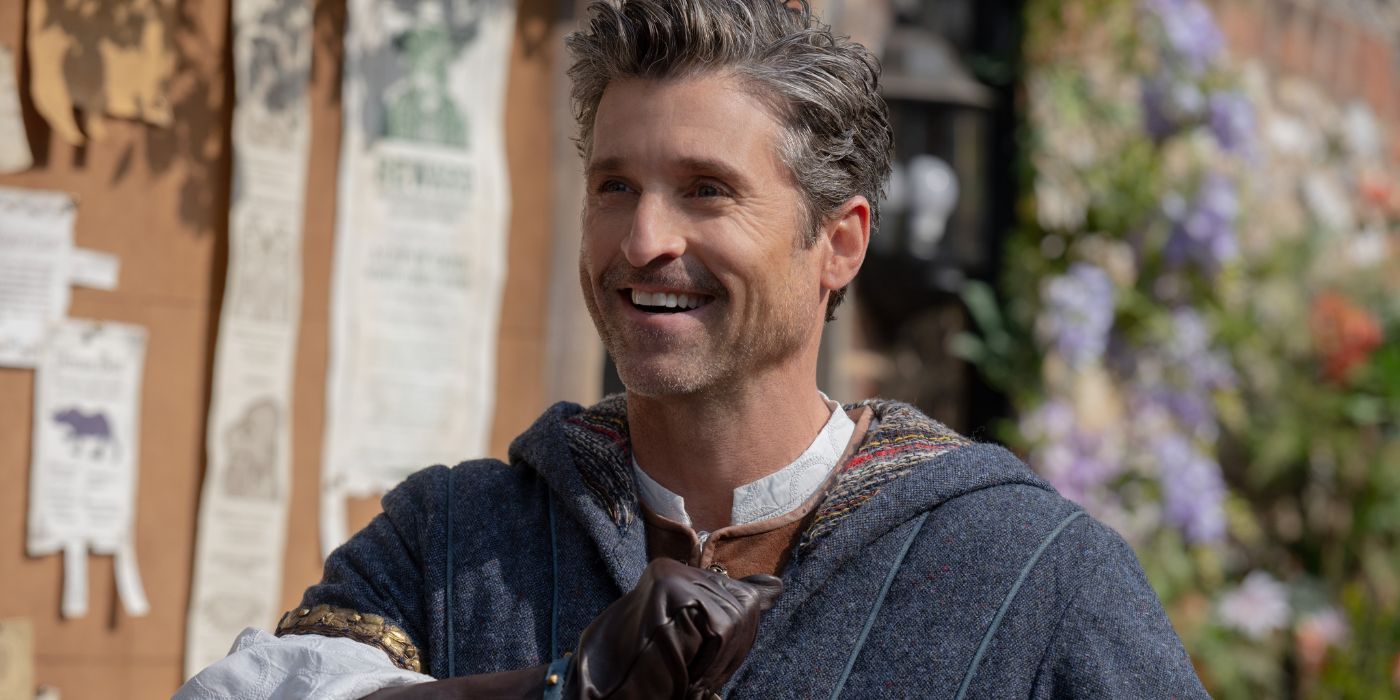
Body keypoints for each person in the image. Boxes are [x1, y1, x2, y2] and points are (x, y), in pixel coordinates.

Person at [177, 1, 1211, 698]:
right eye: (614, 187)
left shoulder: (1026, 575)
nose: (642, 241)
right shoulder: (454, 541)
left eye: (706, 191)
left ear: (838, 243)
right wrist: (556, 689)